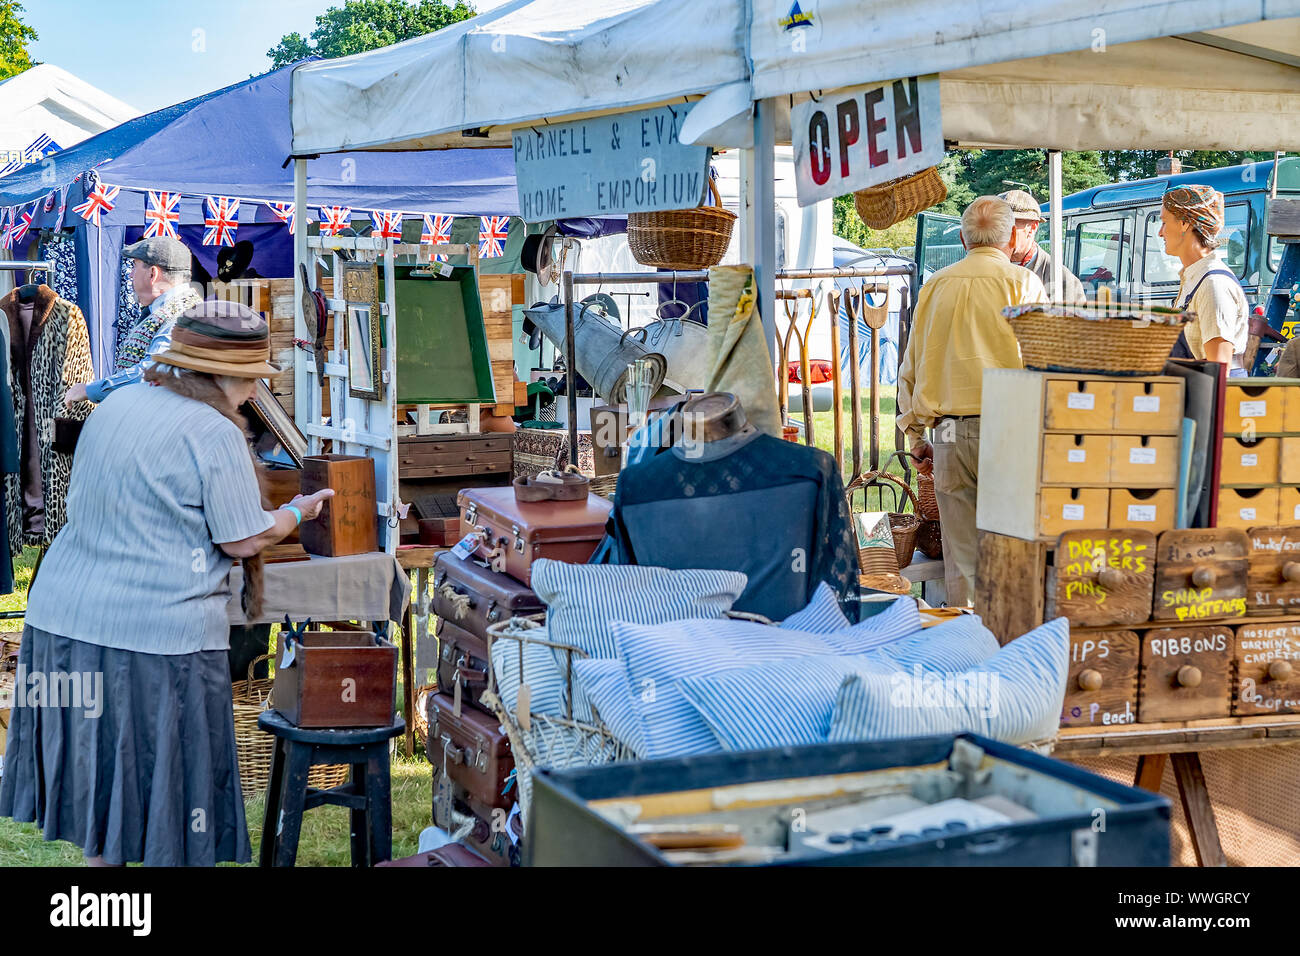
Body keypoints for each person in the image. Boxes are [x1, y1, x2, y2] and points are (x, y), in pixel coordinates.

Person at [0, 300, 334, 866]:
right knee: (168, 804)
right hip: (154, 642)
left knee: (108, 797)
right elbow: (243, 539)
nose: (256, 393)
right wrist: (299, 513)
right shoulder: (212, 431)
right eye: (252, 379)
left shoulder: (118, 403)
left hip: (64, 624)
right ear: (220, 373)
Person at [897, 196, 1048, 606]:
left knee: (962, 559)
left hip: (948, 432)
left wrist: (915, 439)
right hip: (1011, 429)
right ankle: (1013, 647)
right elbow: (1043, 364)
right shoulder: (1024, 282)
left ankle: (968, 647)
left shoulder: (935, 286)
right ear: (1012, 237)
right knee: (1013, 551)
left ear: (963, 237)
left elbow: (910, 368)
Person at [64, 236, 203, 406]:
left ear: (152, 273)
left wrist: (90, 390)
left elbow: (153, 371)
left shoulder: (182, 315)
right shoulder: (177, 310)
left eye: (134, 267)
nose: (130, 275)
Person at [1159, 185, 1248, 374]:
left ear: (1184, 224)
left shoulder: (1213, 284)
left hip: (1210, 395)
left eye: (1164, 222)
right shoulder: (1194, 278)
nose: (1160, 232)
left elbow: (1219, 369)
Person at [998, 189, 1087, 303]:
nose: (999, 233)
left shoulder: (1061, 280)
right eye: (996, 226)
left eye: (1008, 227)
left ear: (1032, 228)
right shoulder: (983, 271)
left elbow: (1074, 320)